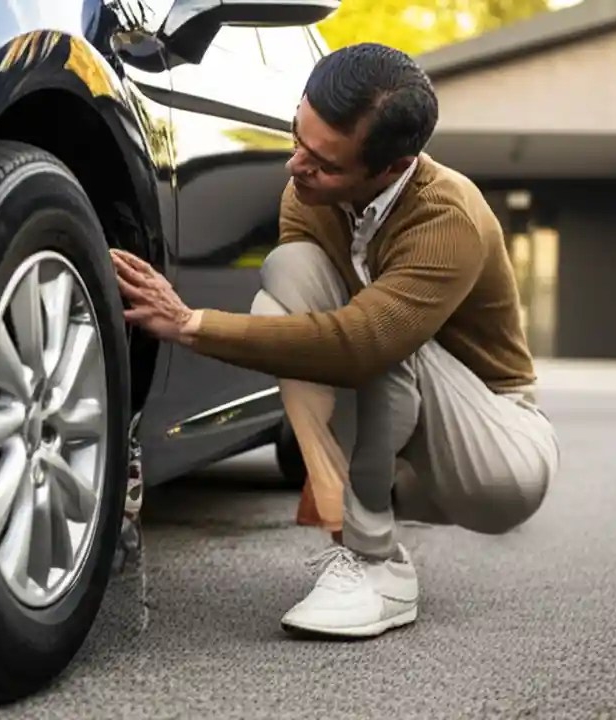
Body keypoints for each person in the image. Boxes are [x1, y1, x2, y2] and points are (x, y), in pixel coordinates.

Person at [110, 42, 560, 639]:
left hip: (495, 455)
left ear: (393, 168)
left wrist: (193, 324)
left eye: (323, 162)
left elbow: (362, 344)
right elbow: (318, 338)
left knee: (375, 336)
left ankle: (378, 567)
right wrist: (329, 473)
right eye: (298, 137)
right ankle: (354, 532)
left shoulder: (447, 216)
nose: (296, 167)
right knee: (285, 278)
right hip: (403, 433)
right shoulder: (309, 192)